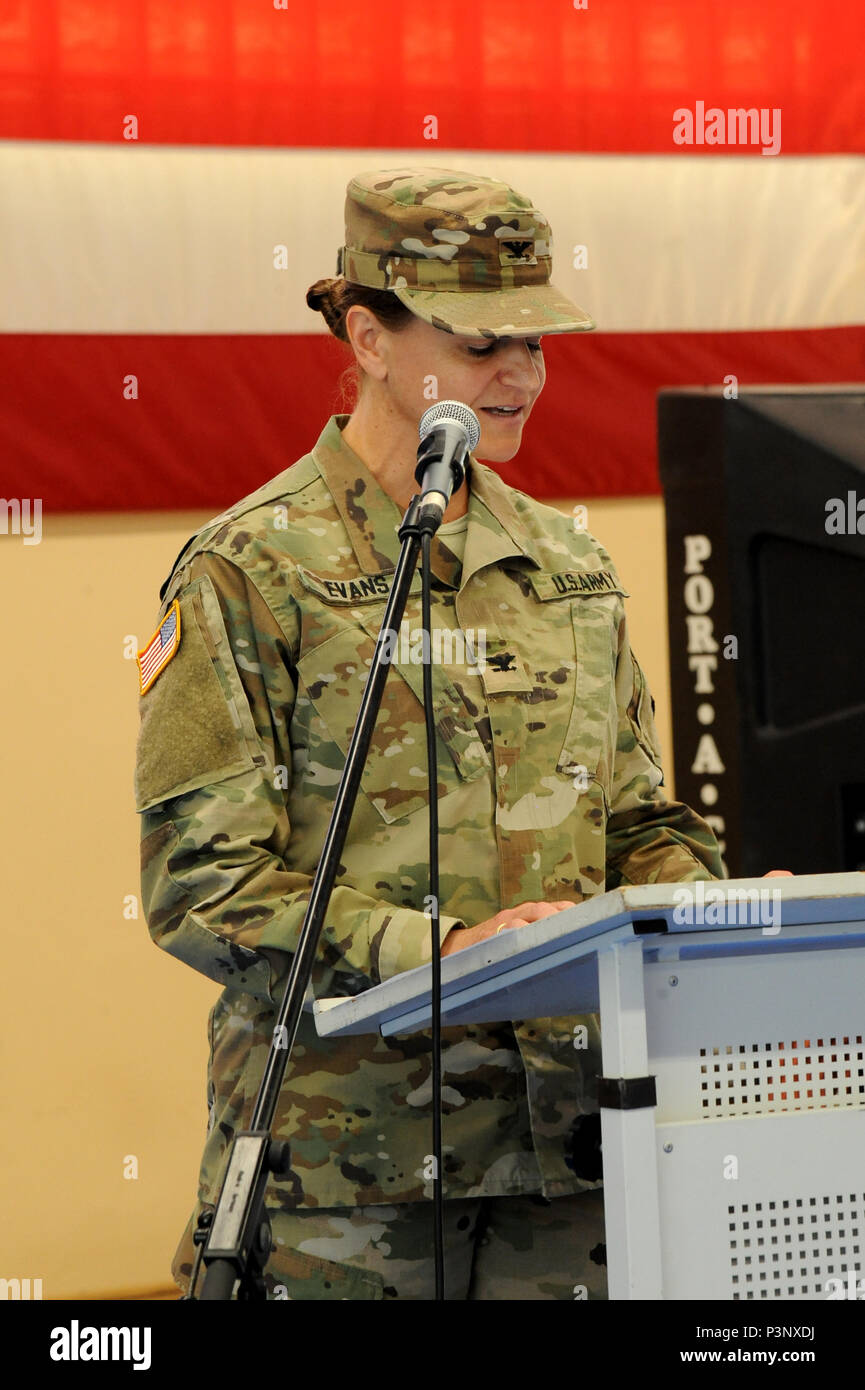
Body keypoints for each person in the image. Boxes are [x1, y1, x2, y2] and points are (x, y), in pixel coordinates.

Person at [134, 166, 727, 1300]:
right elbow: (201, 885)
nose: (518, 375)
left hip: (571, 1168)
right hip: (348, 1175)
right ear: (366, 336)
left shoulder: (569, 565)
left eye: (536, 345)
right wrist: (444, 952)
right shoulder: (250, 570)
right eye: (478, 342)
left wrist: (699, 909)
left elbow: (643, 818)